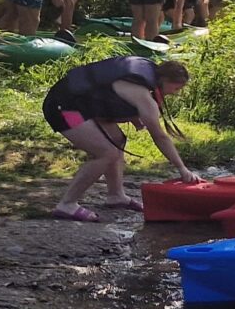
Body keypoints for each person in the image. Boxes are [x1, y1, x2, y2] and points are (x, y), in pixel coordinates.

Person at [42, 56, 200, 220]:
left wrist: (132, 116)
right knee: (106, 152)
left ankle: (116, 196)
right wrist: (182, 168)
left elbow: (108, 89)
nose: (176, 93)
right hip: (64, 107)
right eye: (176, 88)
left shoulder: (149, 72)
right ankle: (67, 205)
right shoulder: (143, 94)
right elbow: (160, 136)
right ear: (165, 79)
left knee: (117, 139)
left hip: (81, 104)